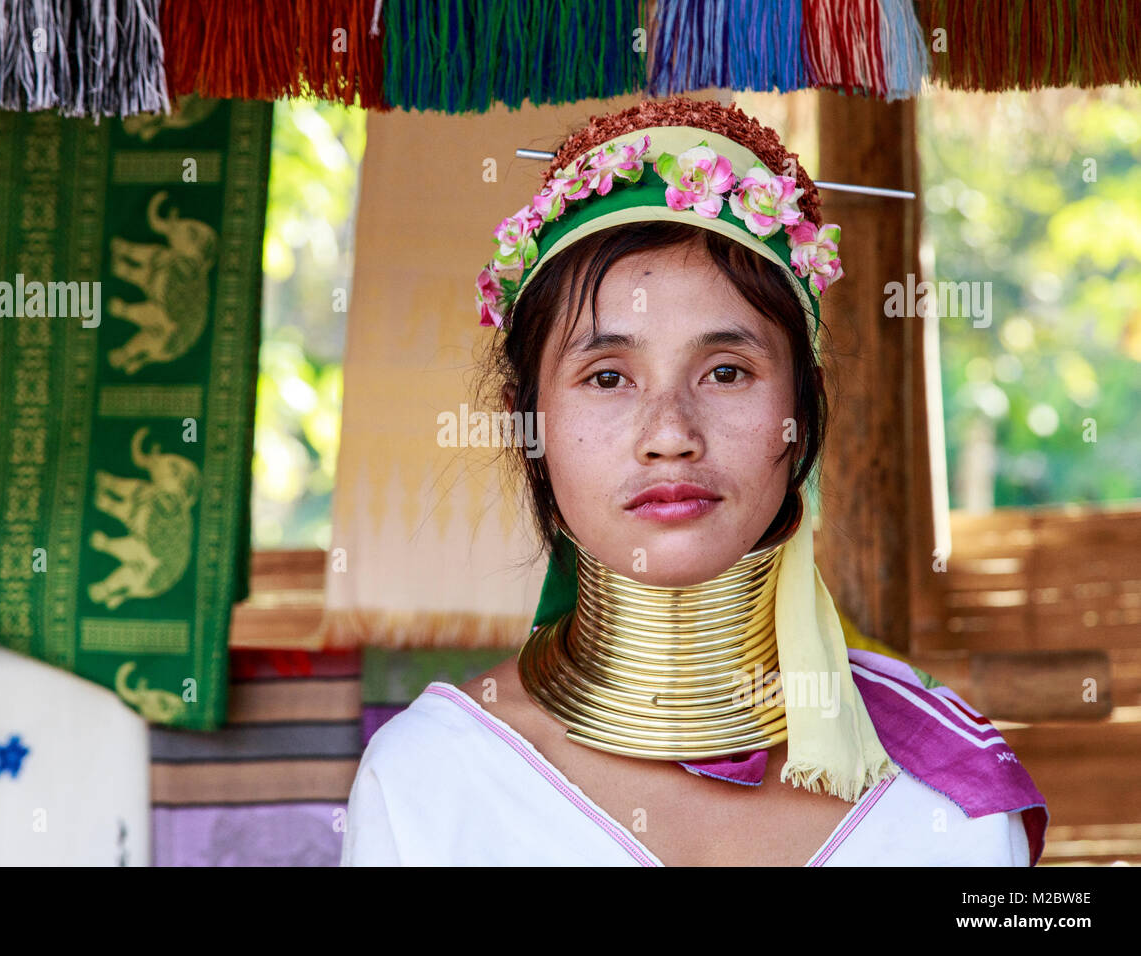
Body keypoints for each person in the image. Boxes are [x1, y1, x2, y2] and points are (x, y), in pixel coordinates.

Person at [340, 97, 1048, 866]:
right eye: (608, 377)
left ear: (802, 414)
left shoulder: (947, 799)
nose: (672, 434)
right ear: (527, 427)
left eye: (726, 371)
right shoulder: (430, 786)